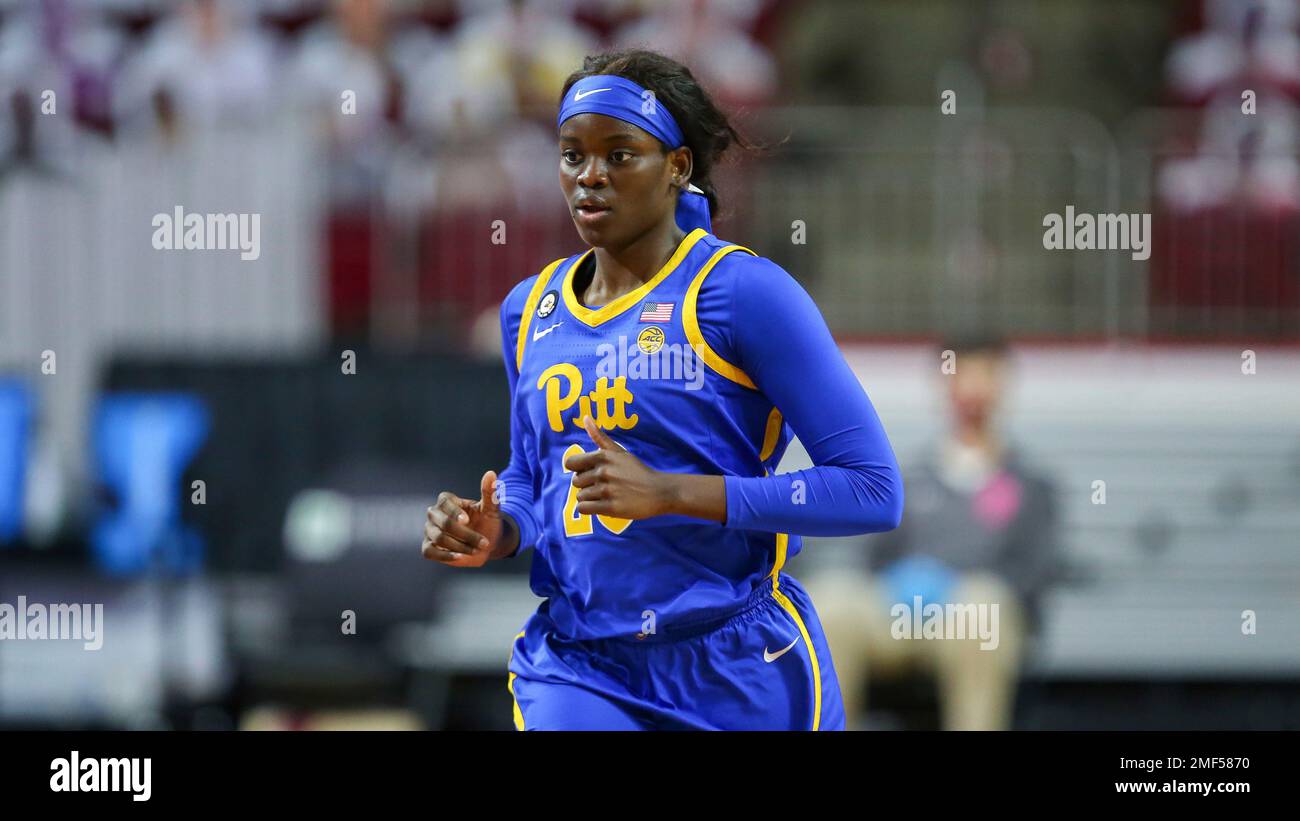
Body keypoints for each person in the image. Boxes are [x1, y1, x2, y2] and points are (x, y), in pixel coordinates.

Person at [421, 48, 903, 731]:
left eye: (620, 155)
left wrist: (672, 492)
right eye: (572, 155)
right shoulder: (529, 310)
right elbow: (534, 476)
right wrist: (497, 528)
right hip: (582, 666)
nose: (590, 177)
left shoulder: (743, 294)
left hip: (737, 659)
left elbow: (873, 489)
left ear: (677, 166)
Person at [805, 332, 1062, 730]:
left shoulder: (1032, 486)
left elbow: (1030, 577)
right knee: (831, 603)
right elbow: (877, 561)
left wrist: (962, 590)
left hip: (974, 624)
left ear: (1003, 386)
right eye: (962, 376)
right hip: (901, 617)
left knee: (983, 608)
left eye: (986, 376)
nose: (973, 390)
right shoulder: (907, 479)